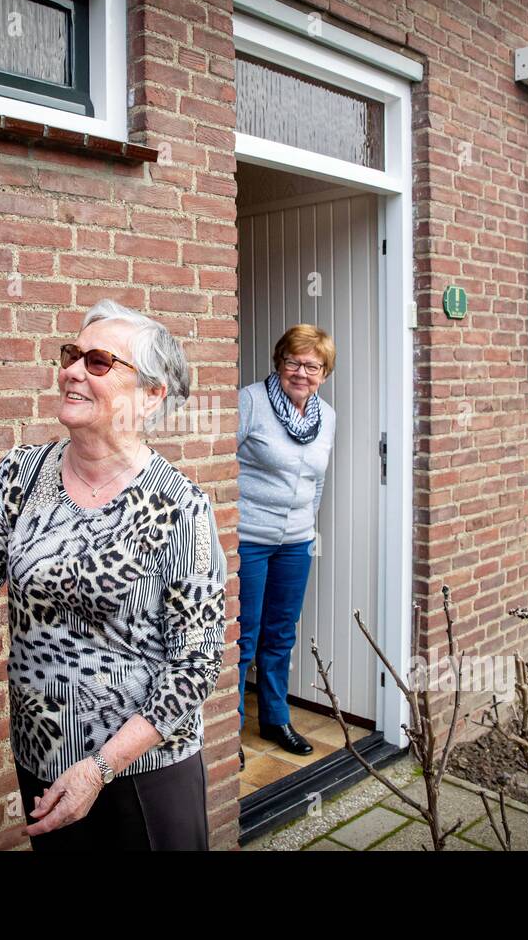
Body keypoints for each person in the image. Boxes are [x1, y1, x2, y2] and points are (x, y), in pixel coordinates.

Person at [0, 300, 227, 850]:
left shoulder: (180, 506)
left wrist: (100, 769)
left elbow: (197, 661)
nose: (70, 370)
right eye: (71, 355)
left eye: (97, 361)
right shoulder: (22, 472)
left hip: (140, 771)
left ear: (152, 394)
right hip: (41, 757)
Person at [235, 325, 337, 766]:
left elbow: (317, 480)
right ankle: (229, 730)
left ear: (324, 373)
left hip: (296, 543)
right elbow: (222, 464)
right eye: (293, 362)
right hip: (248, 540)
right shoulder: (251, 401)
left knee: (280, 634)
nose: (302, 372)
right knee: (242, 637)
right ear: (279, 361)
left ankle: (275, 718)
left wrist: (308, 528)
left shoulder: (327, 416)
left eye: (312, 366)